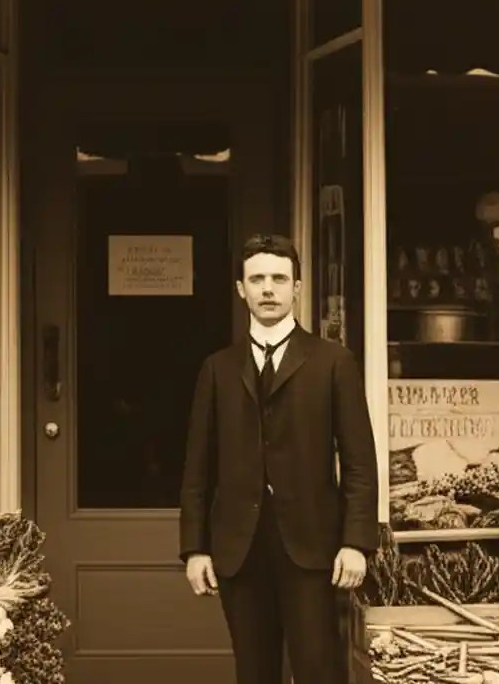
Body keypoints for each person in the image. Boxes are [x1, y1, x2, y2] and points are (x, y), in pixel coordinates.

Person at [178, 234, 379, 684]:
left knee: (318, 670)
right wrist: (195, 548)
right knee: (254, 671)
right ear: (240, 289)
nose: (268, 289)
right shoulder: (218, 368)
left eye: (279, 279)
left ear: (297, 288)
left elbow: (360, 461)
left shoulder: (333, 362)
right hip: (238, 548)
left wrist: (356, 542)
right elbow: (197, 468)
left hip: (313, 547)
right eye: (257, 279)